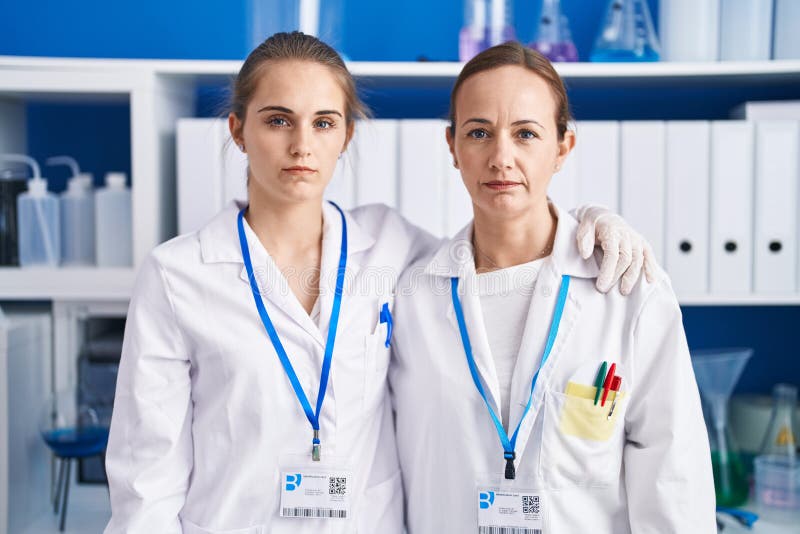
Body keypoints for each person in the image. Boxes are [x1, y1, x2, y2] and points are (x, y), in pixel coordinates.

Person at [104, 33, 656, 533]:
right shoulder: (178, 276)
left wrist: (593, 220)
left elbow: (502, 242)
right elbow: (145, 484)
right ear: (238, 130)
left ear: (345, 135)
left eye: (324, 122)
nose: (302, 145)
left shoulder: (393, 248)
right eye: (277, 120)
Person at [389, 42, 716, 533]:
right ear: (453, 147)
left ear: (563, 147)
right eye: (479, 133)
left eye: (526, 134)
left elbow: (675, 483)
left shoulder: (626, 288)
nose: (502, 157)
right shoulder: (412, 296)